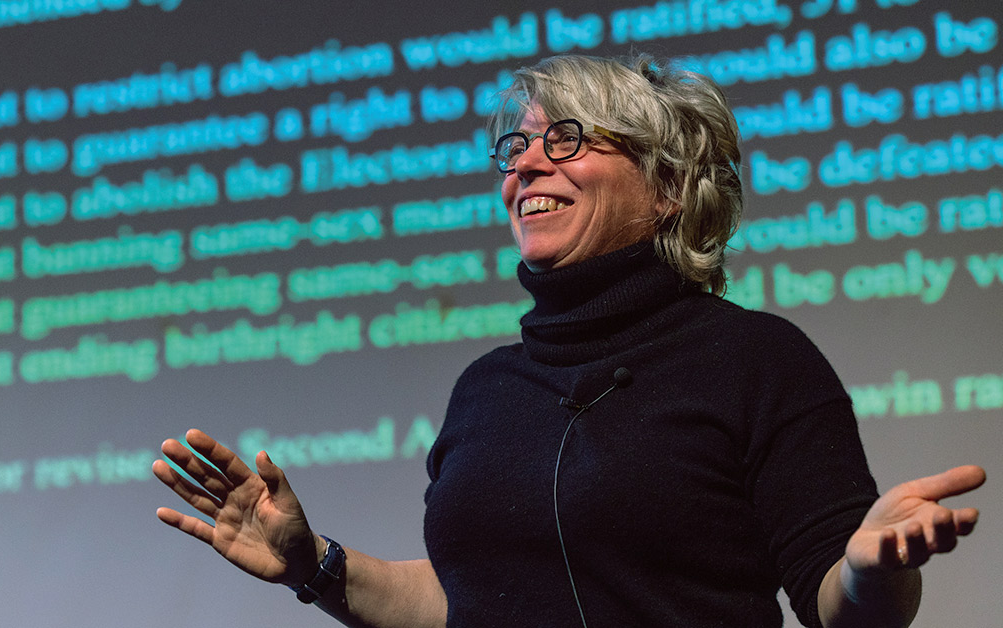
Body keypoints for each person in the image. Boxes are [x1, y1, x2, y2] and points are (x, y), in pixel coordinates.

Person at [151, 54, 985, 628]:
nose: (525, 167)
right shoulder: (487, 388)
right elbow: (465, 605)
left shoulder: (758, 362)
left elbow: (837, 601)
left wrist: (875, 573)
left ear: (666, 187)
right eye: (516, 149)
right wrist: (313, 566)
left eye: (568, 140)